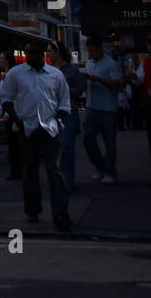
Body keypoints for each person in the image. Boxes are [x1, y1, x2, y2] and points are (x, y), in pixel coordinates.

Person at [0, 38, 72, 230]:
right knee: (29, 170)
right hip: (26, 128)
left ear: (41, 55)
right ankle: (32, 208)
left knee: (54, 170)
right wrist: (18, 122)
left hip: (50, 128)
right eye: (26, 53)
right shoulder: (16, 73)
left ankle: (60, 212)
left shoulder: (55, 74)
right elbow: (6, 99)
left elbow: (65, 102)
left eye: (32, 52)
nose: (28, 56)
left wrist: (57, 120)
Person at [82, 36, 122, 184]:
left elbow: (117, 84)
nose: (90, 54)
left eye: (92, 51)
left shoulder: (111, 64)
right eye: (89, 51)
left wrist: (99, 80)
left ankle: (110, 172)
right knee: (88, 138)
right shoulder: (88, 64)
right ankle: (100, 166)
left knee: (109, 142)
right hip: (91, 106)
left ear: (99, 49)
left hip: (107, 108)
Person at [46, 41, 84, 191]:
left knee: (67, 148)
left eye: (50, 51)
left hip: (68, 111)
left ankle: (68, 181)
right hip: (51, 112)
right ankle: (57, 181)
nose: (48, 54)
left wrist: (64, 89)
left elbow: (79, 90)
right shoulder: (47, 71)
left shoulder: (72, 71)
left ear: (58, 52)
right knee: (53, 149)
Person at [0, 51, 22, 181]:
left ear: (7, 60)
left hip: (13, 114)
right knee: (12, 144)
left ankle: (17, 171)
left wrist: (6, 113)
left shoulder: (12, 75)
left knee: (14, 144)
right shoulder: (5, 75)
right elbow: (3, 97)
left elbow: (12, 97)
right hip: (8, 112)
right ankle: (15, 170)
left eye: (1, 58)